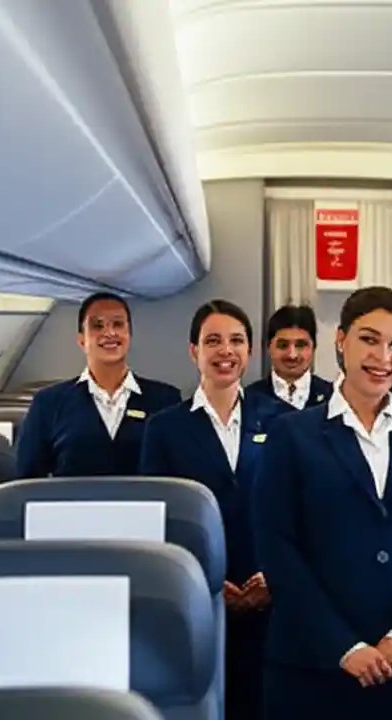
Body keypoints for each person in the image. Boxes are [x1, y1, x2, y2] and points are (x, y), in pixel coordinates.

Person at [255, 286, 392, 719]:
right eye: (369, 339)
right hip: (312, 662)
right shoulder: (292, 434)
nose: (383, 357)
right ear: (341, 341)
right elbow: (277, 547)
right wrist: (343, 646)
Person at [139, 300, 290, 720]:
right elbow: (158, 517)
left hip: (272, 588)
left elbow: (295, 510)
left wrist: (275, 573)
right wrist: (206, 579)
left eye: (236, 341)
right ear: (194, 351)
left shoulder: (283, 421)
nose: (226, 351)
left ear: (251, 350)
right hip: (198, 592)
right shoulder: (165, 427)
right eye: (213, 341)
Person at [16, 292, 180, 477]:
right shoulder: (48, 403)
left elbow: (179, 475)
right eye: (97, 325)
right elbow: (27, 481)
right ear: (81, 340)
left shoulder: (165, 400)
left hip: (148, 505)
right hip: (73, 505)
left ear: (129, 334)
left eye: (118, 324)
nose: (109, 333)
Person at [246, 304, 332, 409]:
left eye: (300, 345)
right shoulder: (248, 400)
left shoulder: (334, 398)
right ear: (268, 347)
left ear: (314, 347)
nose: (292, 355)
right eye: (283, 345)